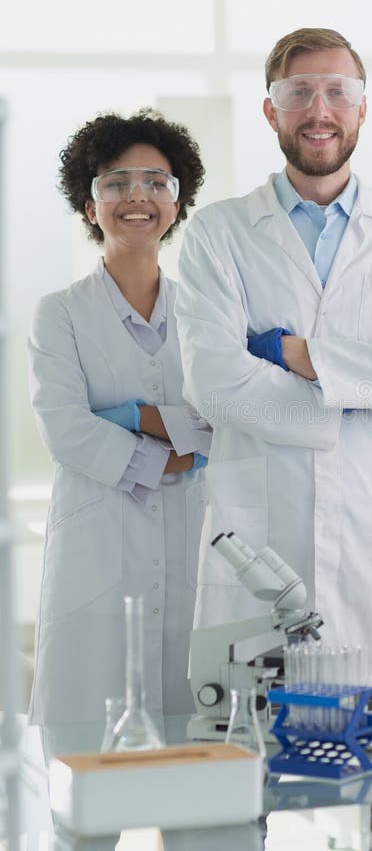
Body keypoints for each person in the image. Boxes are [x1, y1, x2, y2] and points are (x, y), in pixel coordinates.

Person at [175, 28, 372, 698]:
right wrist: (367, 390)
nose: (319, 109)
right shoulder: (218, 236)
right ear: (270, 110)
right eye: (298, 92)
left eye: (338, 91)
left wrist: (296, 355)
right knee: (241, 788)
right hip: (257, 572)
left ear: (363, 108)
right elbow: (216, 385)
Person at [27, 110, 211, 723]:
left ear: (177, 204)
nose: (137, 196)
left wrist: (135, 416)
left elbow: (227, 416)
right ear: (89, 205)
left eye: (157, 183)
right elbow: (66, 428)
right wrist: (176, 444)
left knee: (195, 771)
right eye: (116, 182)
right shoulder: (58, 315)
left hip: (190, 558)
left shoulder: (208, 315)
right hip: (95, 566)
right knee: (84, 781)